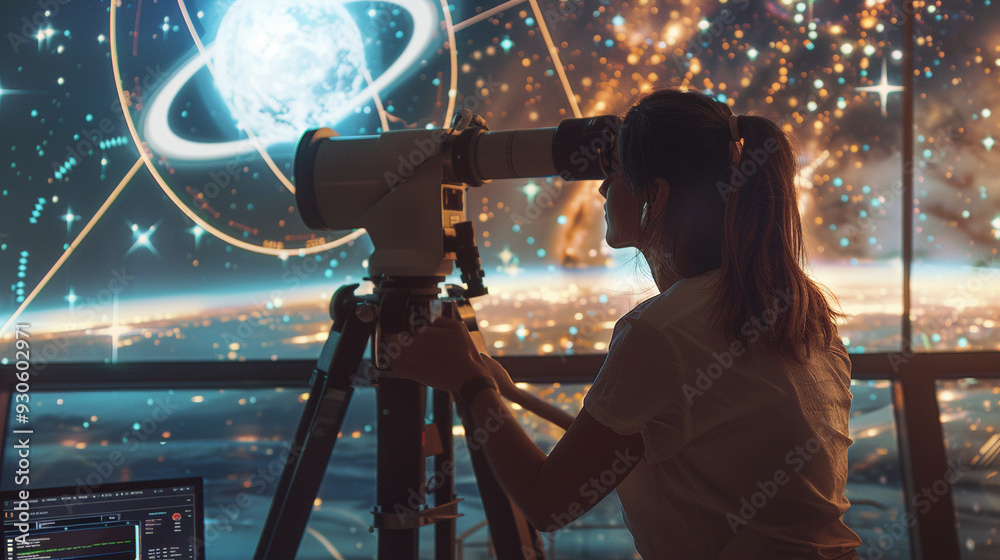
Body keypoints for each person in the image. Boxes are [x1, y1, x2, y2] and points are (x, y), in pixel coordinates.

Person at [390, 88, 863, 559]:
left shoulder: (662, 332)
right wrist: (503, 395)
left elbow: (548, 504)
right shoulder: (800, 308)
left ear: (655, 195)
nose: (599, 189)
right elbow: (658, 439)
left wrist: (469, 385)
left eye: (613, 172)